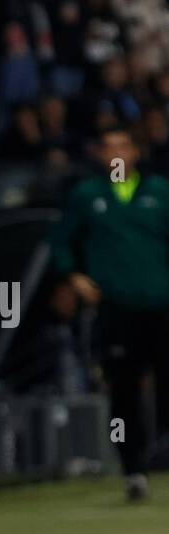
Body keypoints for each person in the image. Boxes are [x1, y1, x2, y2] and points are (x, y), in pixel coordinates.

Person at [51, 126, 169, 501]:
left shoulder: (160, 192)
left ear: (136, 152)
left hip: (161, 305)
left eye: (123, 146)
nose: (117, 154)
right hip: (116, 309)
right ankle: (131, 469)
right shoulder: (87, 196)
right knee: (122, 393)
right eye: (109, 148)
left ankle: (161, 454)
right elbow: (60, 244)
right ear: (100, 155)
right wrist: (74, 277)